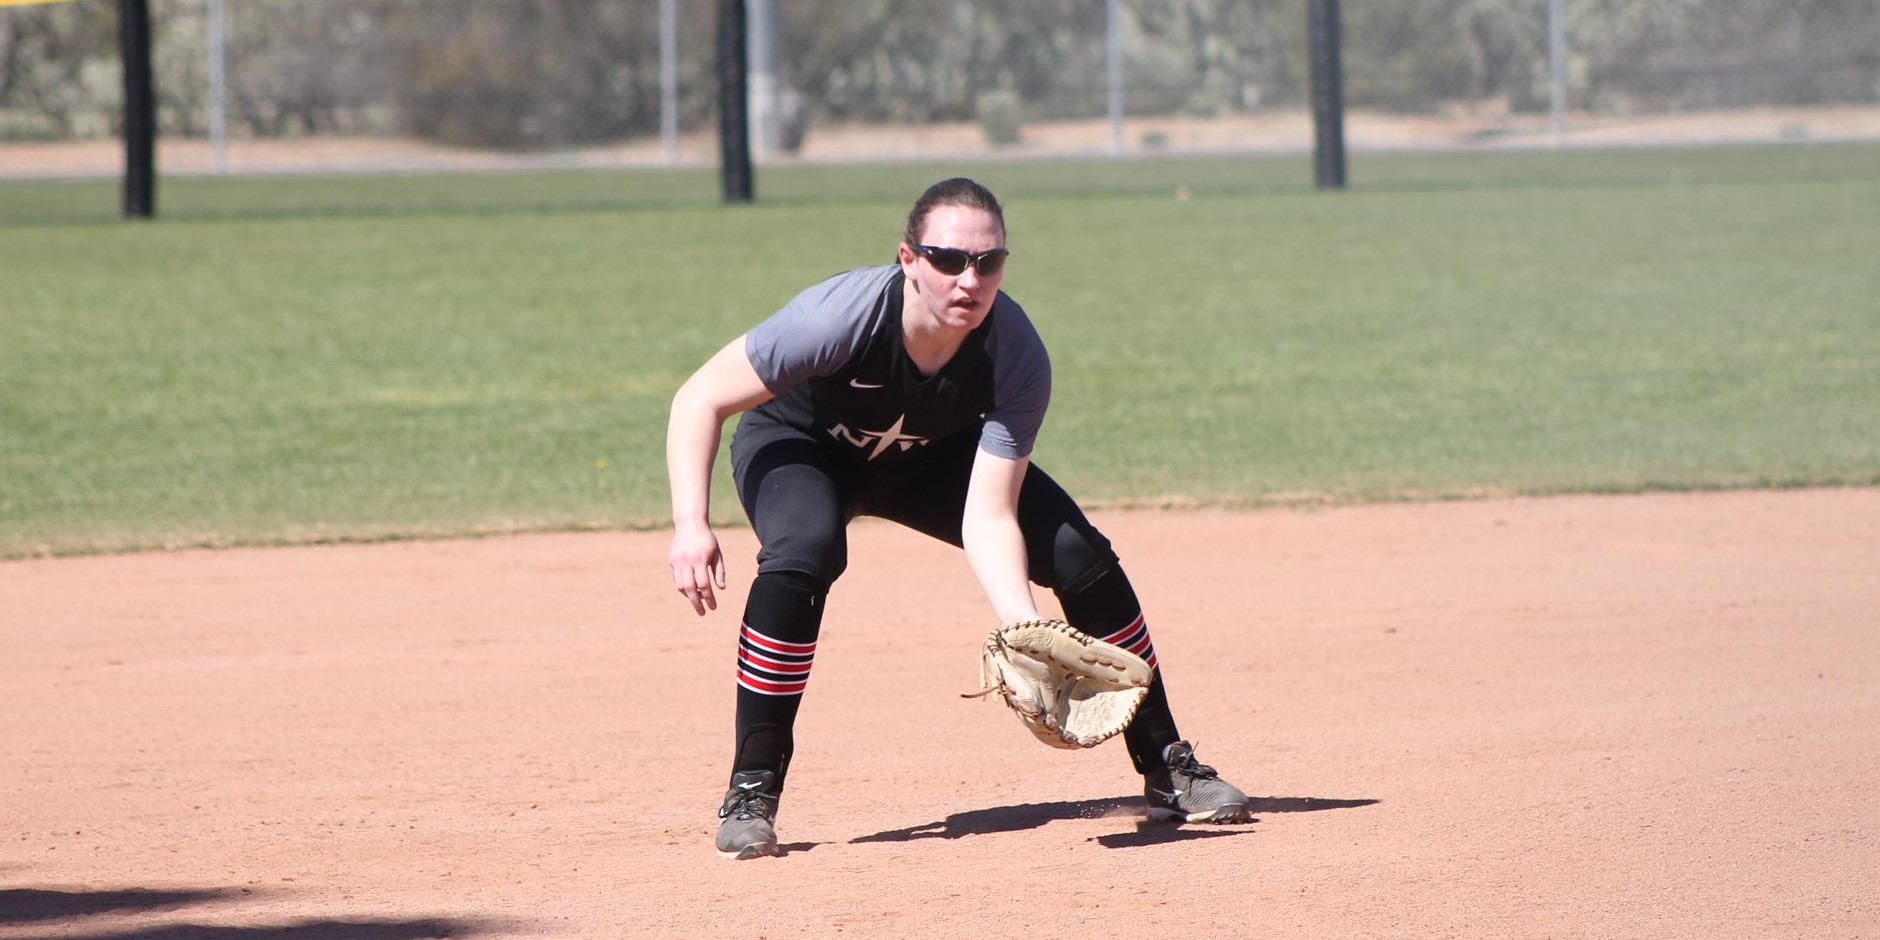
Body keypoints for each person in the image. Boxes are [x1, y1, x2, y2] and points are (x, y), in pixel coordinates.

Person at [666, 177, 1251, 860]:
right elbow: (700, 398)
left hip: (931, 459)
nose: (967, 279)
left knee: (1077, 555)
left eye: (987, 261)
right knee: (806, 550)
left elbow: (990, 513)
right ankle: (752, 791)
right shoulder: (838, 318)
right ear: (908, 260)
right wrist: (691, 523)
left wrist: (1020, 626)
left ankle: (1167, 765)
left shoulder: (1015, 352)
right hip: (802, 445)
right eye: (947, 259)